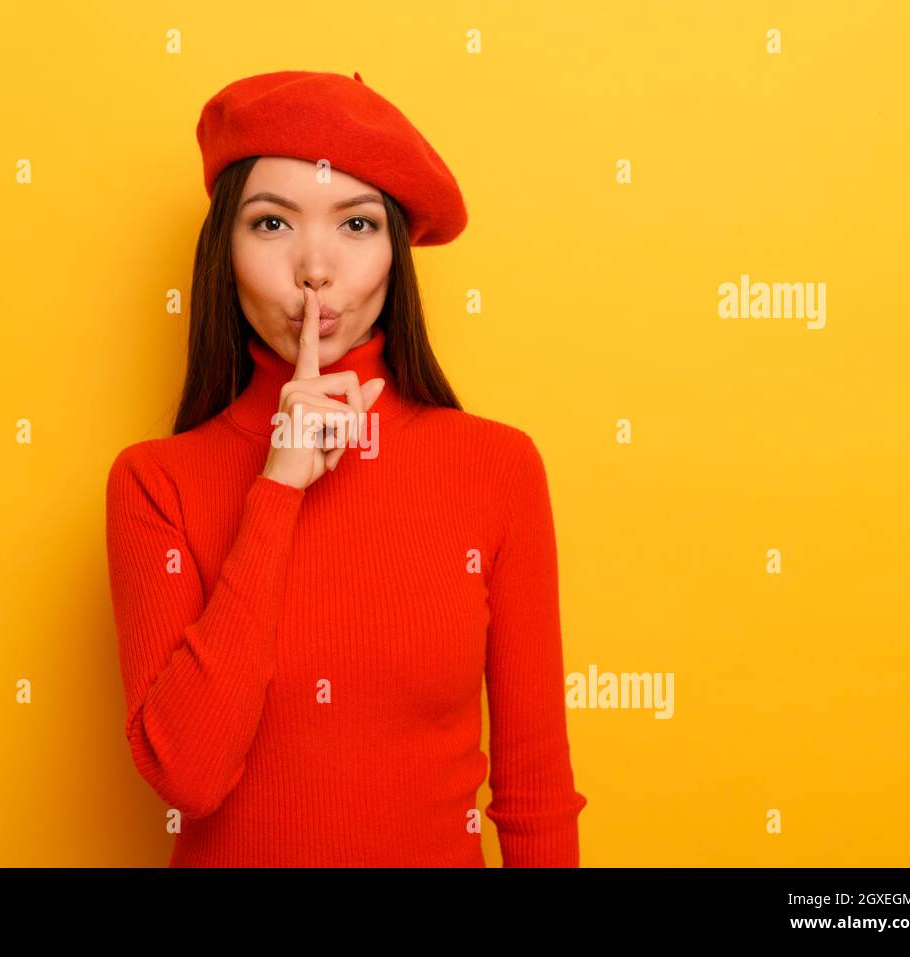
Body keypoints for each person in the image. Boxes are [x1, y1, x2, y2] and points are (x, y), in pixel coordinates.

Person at [106, 70, 587, 866]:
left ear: (396, 258)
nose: (315, 269)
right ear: (222, 252)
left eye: (357, 225)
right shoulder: (154, 484)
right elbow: (188, 774)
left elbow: (536, 794)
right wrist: (278, 486)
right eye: (271, 224)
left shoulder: (496, 467)